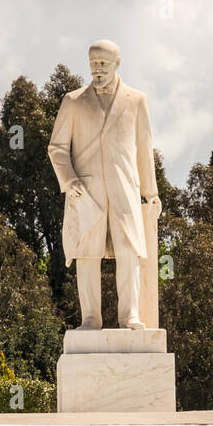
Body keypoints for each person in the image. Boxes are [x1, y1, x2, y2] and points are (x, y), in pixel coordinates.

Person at [48, 40, 161, 330]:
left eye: (103, 63)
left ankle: (130, 315)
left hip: (125, 189)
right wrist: (68, 179)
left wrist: (151, 192)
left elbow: (143, 150)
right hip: (85, 192)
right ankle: (90, 318)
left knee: (129, 250)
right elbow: (57, 147)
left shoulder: (136, 100)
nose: (97, 69)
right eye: (93, 63)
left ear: (117, 63)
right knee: (87, 254)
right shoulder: (73, 101)